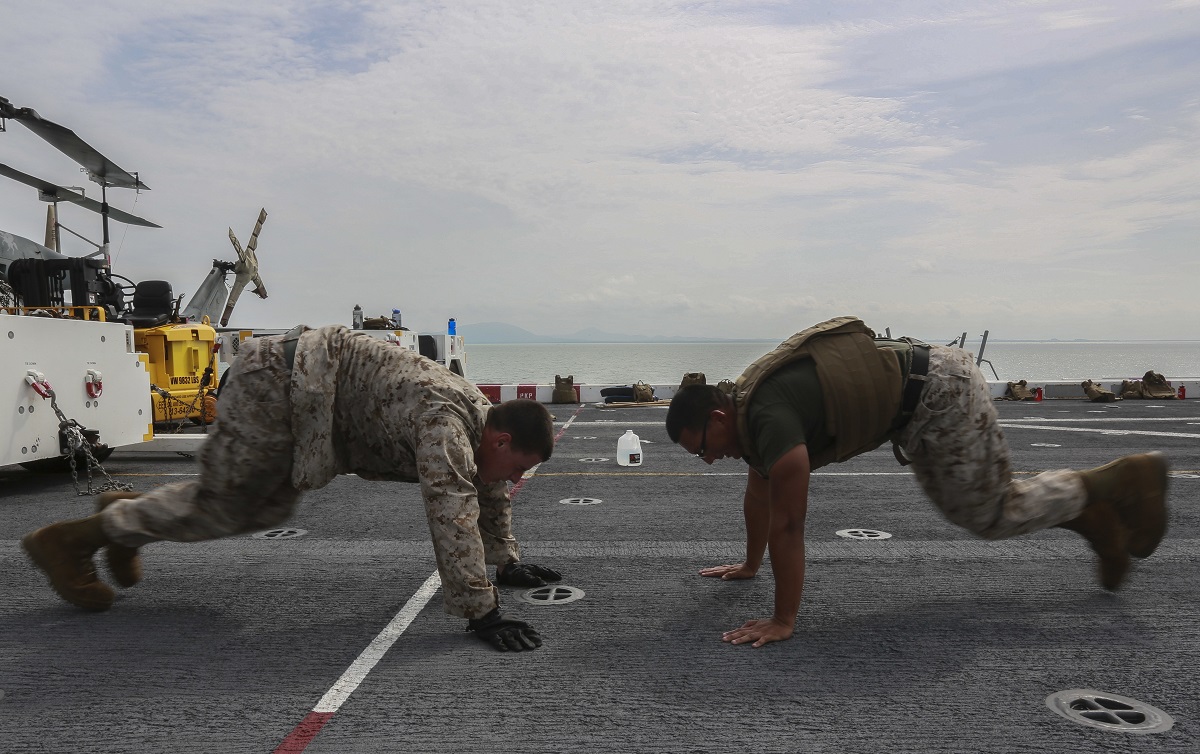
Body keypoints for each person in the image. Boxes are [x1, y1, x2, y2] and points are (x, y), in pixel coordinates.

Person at [22, 325, 563, 652]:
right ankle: (73, 540)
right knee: (228, 507)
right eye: (518, 467)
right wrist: (482, 612)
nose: (515, 481)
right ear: (501, 440)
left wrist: (505, 562)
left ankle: (128, 520)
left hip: (305, 392)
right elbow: (453, 512)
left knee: (263, 511)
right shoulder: (447, 426)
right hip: (275, 385)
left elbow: (488, 488)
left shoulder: (484, 419)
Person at [666, 315, 1169, 649]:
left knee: (993, 513)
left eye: (703, 447)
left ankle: (1119, 480)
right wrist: (751, 565)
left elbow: (788, 525)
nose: (708, 460)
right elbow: (758, 493)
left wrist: (783, 620)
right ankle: (1092, 517)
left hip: (941, 393)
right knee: (974, 508)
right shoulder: (747, 406)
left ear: (718, 416)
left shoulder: (768, 420)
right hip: (922, 393)